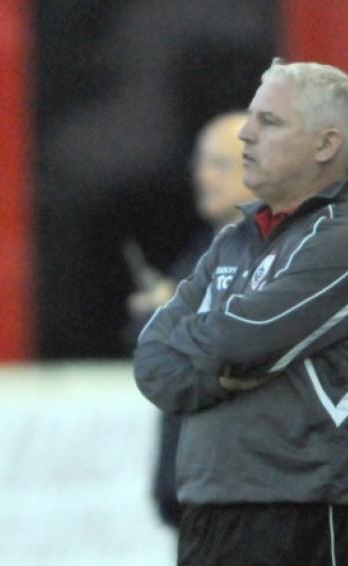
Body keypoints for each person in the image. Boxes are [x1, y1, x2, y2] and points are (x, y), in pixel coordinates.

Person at [134, 58, 348, 566]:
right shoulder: (234, 239)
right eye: (251, 118)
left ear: (326, 145)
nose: (245, 135)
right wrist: (219, 372)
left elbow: (236, 341)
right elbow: (151, 360)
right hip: (209, 512)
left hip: (303, 517)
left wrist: (203, 359)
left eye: (270, 122)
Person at [124, 111, 254, 527]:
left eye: (218, 164)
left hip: (239, 492)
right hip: (195, 491)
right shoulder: (206, 250)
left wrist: (166, 314)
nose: (202, 176)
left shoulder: (278, 258)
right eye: (199, 163)